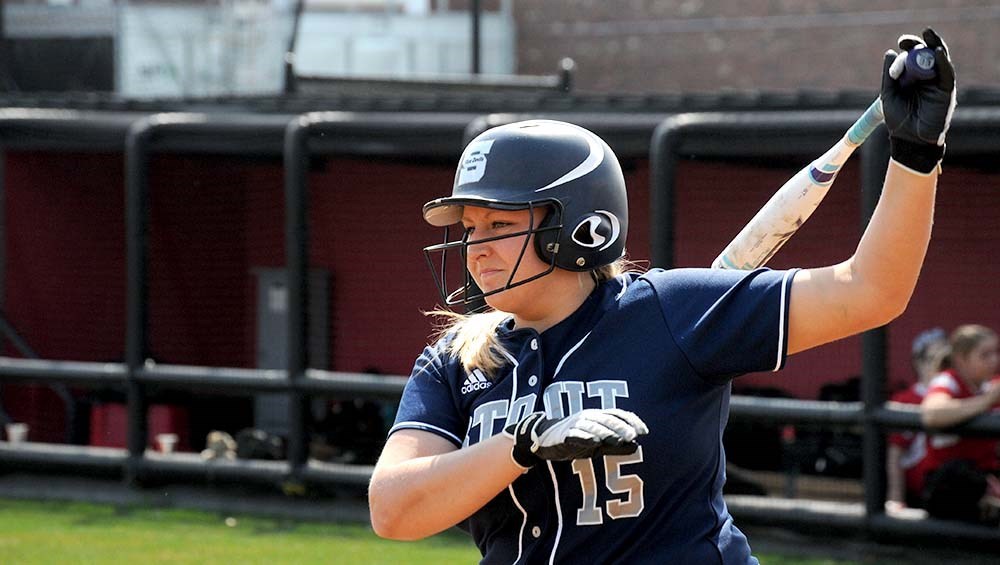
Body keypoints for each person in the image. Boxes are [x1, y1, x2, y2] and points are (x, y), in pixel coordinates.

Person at [369, 29, 955, 564]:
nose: (476, 248)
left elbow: (872, 291)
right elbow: (393, 511)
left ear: (579, 228)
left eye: (500, 226)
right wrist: (523, 444)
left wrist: (915, 159)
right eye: (470, 228)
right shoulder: (459, 358)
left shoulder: (673, 312)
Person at [918, 324, 1000, 524]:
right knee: (960, 472)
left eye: (996, 353)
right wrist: (986, 402)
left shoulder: (991, 385)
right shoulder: (948, 381)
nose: (994, 360)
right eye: (985, 355)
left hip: (987, 477)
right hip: (947, 488)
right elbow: (932, 413)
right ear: (961, 359)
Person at [885, 327, 948, 511]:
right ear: (918, 362)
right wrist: (895, 497)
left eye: (944, 359)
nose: (939, 366)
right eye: (931, 358)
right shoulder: (905, 400)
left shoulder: (959, 394)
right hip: (917, 494)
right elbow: (895, 454)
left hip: (951, 489)